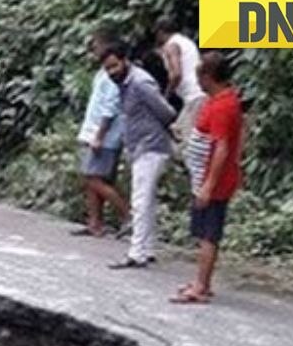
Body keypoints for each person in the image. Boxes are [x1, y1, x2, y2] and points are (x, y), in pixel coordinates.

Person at [174, 52, 244, 305]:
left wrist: (209, 185)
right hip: (205, 177)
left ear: (208, 76)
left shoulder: (224, 106)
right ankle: (201, 281)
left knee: (208, 234)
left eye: (199, 75)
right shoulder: (219, 101)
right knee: (203, 231)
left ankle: (201, 286)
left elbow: (222, 147)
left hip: (213, 182)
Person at [102, 42, 176, 269]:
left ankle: (136, 254)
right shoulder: (124, 83)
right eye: (107, 69)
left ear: (125, 60)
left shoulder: (140, 83)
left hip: (150, 146)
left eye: (114, 66)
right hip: (141, 146)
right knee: (147, 200)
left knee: (141, 200)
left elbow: (167, 112)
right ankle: (147, 248)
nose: (111, 73)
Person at [73, 30, 129, 237]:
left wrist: (99, 135)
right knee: (92, 179)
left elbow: (110, 108)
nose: (93, 50)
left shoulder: (112, 74)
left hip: (104, 135)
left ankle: (127, 215)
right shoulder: (102, 72)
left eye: (96, 46)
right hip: (93, 131)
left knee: (94, 179)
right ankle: (94, 222)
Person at [154, 17, 205, 151]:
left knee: (185, 144)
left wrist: (166, 96)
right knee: (179, 133)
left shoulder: (171, 45)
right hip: (197, 95)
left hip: (194, 97)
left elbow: (176, 74)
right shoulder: (186, 42)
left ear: (160, 32)